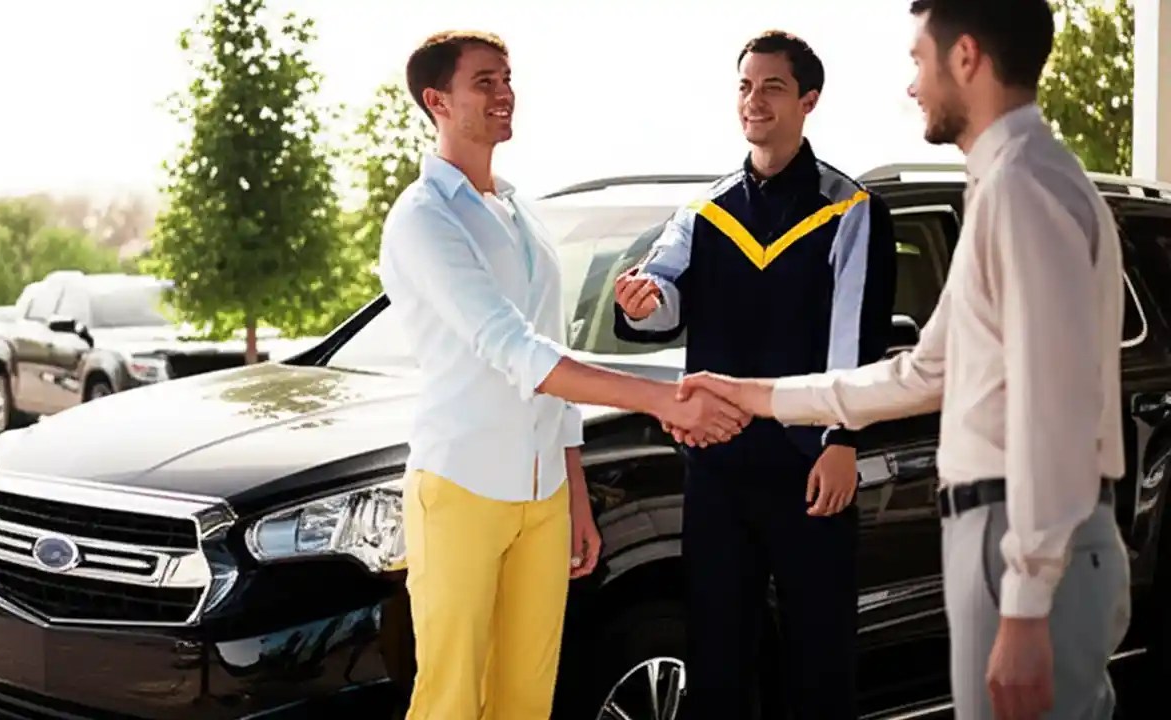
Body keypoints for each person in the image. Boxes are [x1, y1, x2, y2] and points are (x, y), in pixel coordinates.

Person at [676, 2, 1132, 718]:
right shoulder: (1009, 184)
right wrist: (756, 395)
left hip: (1023, 534)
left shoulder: (1022, 191)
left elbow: (1056, 408)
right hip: (1004, 533)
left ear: (967, 59)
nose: (913, 87)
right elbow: (926, 373)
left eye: (920, 61)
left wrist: (1024, 599)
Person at [378, 30, 748, 720]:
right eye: (484, 81)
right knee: (452, 698)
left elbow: (554, 347)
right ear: (437, 101)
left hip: (543, 493)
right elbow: (516, 350)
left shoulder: (520, 212)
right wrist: (664, 398)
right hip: (461, 488)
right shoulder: (423, 219)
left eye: (507, 78)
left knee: (528, 697)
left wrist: (574, 492)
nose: (504, 93)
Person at [612, 30, 898, 719]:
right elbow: (663, 295)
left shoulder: (849, 211)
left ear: (809, 100)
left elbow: (851, 338)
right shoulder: (704, 212)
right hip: (718, 466)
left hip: (808, 468)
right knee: (717, 655)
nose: (754, 100)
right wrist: (641, 302)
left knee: (817, 657)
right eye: (745, 86)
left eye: (772, 86)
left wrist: (840, 441)